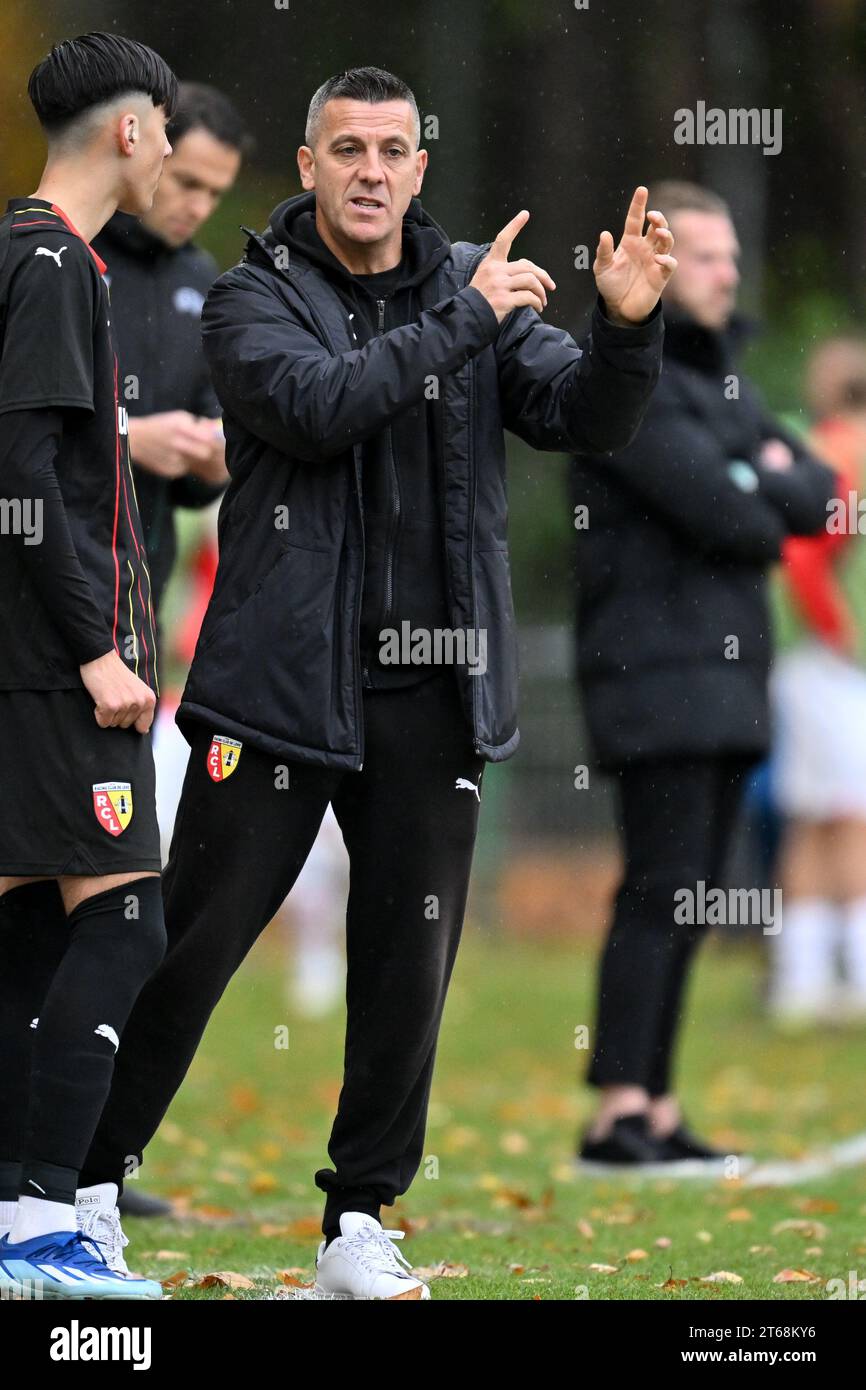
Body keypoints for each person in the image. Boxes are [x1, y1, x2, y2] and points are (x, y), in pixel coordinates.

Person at [75, 65, 671, 1300]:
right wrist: (468, 317)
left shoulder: (471, 283)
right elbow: (316, 405)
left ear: (417, 164)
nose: (368, 170)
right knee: (191, 948)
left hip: (433, 691)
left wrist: (622, 328)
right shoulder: (252, 297)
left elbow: (579, 417)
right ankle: (82, 1188)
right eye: (344, 147)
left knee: (409, 968)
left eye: (390, 149)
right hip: (276, 688)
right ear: (305, 166)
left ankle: (357, 1218)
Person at [570, 180, 836, 1174]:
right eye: (707, 256)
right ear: (660, 262)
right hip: (653, 676)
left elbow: (815, 496)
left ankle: (656, 1099)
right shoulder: (625, 380)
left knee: (686, 897)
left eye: (730, 256)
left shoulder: (726, 382)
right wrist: (754, 475)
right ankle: (616, 1114)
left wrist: (751, 472)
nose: (725, 273)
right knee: (657, 889)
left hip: (725, 683)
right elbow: (728, 513)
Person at [0, 32, 176, 1299]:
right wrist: (96, 650)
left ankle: (17, 1218)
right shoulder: (54, 262)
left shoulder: (33, 253)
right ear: (127, 131)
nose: (168, 148)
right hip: (52, 669)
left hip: (23, 664)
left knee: (25, 939)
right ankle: (44, 1226)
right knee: (123, 919)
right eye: (163, 126)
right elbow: (21, 482)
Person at [92, 79, 250, 1221]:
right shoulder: (56, 258)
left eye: (214, 192)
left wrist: (204, 455)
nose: (193, 205)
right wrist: (125, 435)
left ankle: (81, 1153)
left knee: (122, 904)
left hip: (136, 631)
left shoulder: (209, 291)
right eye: (184, 179)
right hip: (49, 618)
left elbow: (217, 450)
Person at [769, 337, 866, 1025]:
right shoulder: (846, 448)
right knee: (853, 818)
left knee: (812, 822)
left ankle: (802, 979)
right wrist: (839, 629)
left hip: (806, 660)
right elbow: (806, 556)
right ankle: (851, 978)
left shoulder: (814, 441)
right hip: (832, 664)